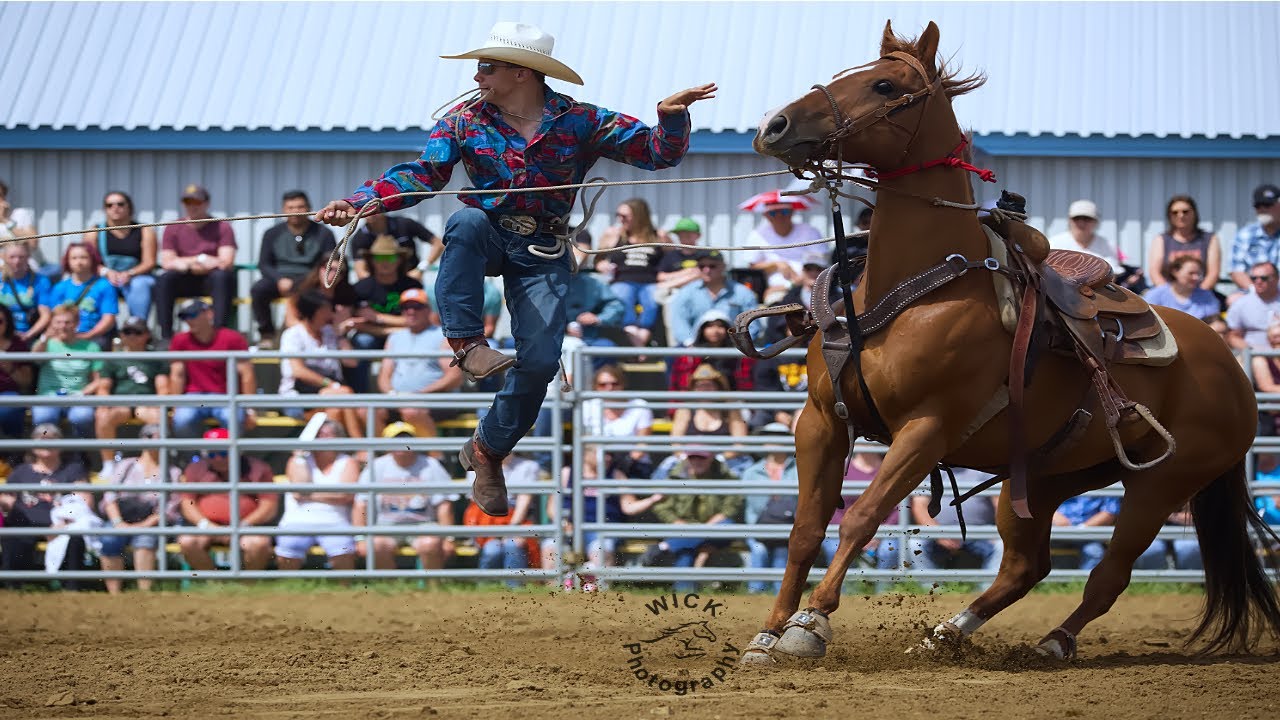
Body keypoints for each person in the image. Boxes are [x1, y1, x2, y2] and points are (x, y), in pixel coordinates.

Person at [315, 21, 715, 517]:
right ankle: (467, 345)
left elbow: (658, 153)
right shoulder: (463, 121)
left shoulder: (580, 120)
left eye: (487, 66)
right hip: (488, 232)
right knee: (464, 221)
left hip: (543, 248)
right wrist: (359, 203)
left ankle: (487, 451)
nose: (478, 75)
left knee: (542, 363)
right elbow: (421, 175)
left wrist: (671, 117)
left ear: (522, 72)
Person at [354, 422, 458, 571]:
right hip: (386, 525)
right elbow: (360, 505)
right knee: (376, 545)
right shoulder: (376, 466)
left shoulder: (431, 465)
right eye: (396, 440)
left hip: (424, 524)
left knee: (430, 543)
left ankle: (433, 587)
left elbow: (444, 505)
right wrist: (360, 539)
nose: (401, 444)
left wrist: (448, 538)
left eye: (406, 439)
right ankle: (390, 588)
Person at [640, 447, 743, 592]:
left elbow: (731, 507)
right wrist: (677, 522)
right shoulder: (674, 477)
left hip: (715, 527)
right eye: (692, 457)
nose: (696, 461)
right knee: (685, 552)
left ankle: (665, 547)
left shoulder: (725, 476)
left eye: (701, 457)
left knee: (728, 526)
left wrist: (704, 528)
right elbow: (662, 507)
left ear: (711, 458)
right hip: (685, 529)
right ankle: (685, 598)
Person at [0, 424, 91, 587]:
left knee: (75, 539)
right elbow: (8, 502)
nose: (46, 443)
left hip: (62, 527)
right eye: (41, 439)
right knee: (13, 537)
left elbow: (85, 500)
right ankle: (13, 591)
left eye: (52, 439)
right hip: (25, 526)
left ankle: (72, 592)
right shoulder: (21, 472)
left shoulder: (73, 470)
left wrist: (64, 523)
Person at [176, 427, 278, 572]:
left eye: (224, 453)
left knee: (259, 543)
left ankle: (248, 586)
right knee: (187, 541)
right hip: (207, 527)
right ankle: (216, 582)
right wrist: (207, 526)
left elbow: (269, 506)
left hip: (246, 527)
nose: (218, 458)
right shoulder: (195, 468)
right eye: (212, 453)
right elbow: (187, 503)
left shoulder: (257, 468)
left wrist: (243, 525)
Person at [96, 423, 178, 594]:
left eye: (160, 436)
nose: (155, 440)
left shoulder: (173, 472)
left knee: (146, 539)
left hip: (151, 521)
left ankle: (143, 594)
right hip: (120, 518)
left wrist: (145, 524)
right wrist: (118, 522)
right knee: (108, 539)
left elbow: (170, 507)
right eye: (150, 436)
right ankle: (114, 595)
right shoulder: (126, 465)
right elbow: (109, 498)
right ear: (142, 440)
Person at [250, 191, 337, 347]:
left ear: (309, 208)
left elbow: (330, 262)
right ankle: (267, 334)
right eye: (290, 207)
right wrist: (279, 279)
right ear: (283, 210)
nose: (295, 211)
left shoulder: (324, 234)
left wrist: (312, 279)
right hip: (280, 279)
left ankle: (317, 334)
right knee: (258, 289)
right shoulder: (272, 234)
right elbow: (264, 264)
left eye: (300, 206)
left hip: (311, 280)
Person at [376, 288, 463, 439]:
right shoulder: (395, 338)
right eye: (406, 307)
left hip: (435, 400)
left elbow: (454, 377)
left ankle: (435, 457)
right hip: (400, 399)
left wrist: (420, 394)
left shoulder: (442, 337)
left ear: (428, 310)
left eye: (417, 307)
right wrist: (392, 395)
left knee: (412, 410)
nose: (411, 311)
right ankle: (379, 457)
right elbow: (384, 375)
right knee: (369, 410)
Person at [154, 184, 238, 338]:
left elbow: (226, 262)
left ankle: (220, 333)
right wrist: (201, 259)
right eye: (188, 202)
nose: (192, 206)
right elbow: (168, 261)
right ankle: (166, 336)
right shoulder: (173, 227)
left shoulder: (222, 227)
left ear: (206, 203)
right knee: (164, 279)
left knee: (222, 277)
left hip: (210, 281)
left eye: (197, 202)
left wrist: (184, 262)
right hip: (184, 278)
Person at [275, 419, 359, 572]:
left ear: (339, 439)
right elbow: (300, 489)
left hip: (335, 522)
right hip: (297, 522)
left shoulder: (348, 462)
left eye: (328, 434)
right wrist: (300, 456)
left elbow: (345, 495)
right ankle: (288, 590)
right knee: (288, 548)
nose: (322, 438)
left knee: (343, 551)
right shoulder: (297, 460)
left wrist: (309, 495)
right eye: (318, 434)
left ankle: (345, 591)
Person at [168, 299, 257, 437]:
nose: (188, 320)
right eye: (184, 317)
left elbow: (247, 374)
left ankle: (228, 458)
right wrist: (175, 406)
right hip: (193, 397)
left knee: (233, 419)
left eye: (192, 315)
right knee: (181, 420)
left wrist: (249, 408)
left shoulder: (232, 338)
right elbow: (177, 375)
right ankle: (194, 459)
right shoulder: (180, 340)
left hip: (226, 397)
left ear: (209, 314)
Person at [278, 291, 361, 438]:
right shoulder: (293, 335)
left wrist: (340, 334)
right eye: (327, 310)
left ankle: (338, 457)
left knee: (343, 410)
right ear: (313, 312)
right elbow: (298, 371)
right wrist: (331, 385)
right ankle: (360, 447)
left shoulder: (330, 332)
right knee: (344, 396)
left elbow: (351, 362)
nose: (331, 313)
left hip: (333, 395)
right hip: (298, 395)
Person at [345, 233, 422, 392]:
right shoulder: (360, 288)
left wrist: (377, 317)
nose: (385, 263)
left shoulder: (412, 285)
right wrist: (390, 327)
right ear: (371, 261)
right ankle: (359, 399)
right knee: (362, 342)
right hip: (372, 335)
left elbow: (418, 321)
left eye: (390, 258)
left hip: (407, 335)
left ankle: (411, 397)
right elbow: (356, 323)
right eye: (379, 258)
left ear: (399, 260)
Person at [94, 317, 169, 474]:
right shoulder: (113, 358)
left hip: (146, 402)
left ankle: (154, 463)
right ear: (121, 335)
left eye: (137, 332)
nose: (132, 336)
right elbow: (103, 388)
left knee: (158, 418)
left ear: (147, 334)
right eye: (127, 332)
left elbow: (163, 388)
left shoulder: (156, 358)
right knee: (102, 416)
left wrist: (159, 403)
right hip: (121, 403)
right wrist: (104, 403)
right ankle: (108, 464)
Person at [906, 468, 1002, 574]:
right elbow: (920, 507)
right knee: (914, 544)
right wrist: (938, 534)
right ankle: (929, 586)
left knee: (1001, 545)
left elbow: (1000, 505)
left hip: (978, 531)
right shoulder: (930, 470)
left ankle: (989, 587)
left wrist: (997, 531)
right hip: (938, 530)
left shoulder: (985, 470)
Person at [81, 191, 158, 323]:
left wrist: (130, 273)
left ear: (129, 207)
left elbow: (149, 262)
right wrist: (107, 272)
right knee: (102, 286)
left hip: (136, 277)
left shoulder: (145, 231)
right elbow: (89, 262)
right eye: (109, 205)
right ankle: (103, 329)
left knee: (139, 285)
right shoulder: (94, 232)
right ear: (105, 209)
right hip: (106, 277)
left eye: (120, 204)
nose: (115, 208)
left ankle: (137, 327)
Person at [464, 453, 540, 586]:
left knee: (513, 545)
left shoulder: (528, 466)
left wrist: (510, 530)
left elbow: (524, 502)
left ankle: (515, 589)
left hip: (517, 521)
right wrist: (496, 532)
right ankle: (485, 589)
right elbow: (479, 505)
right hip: (486, 521)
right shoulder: (476, 467)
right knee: (492, 549)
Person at [599, 198, 666, 347]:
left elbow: (670, 259)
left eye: (625, 216)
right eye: (618, 215)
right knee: (621, 296)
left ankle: (637, 343)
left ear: (639, 216)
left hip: (650, 281)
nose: (620, 219)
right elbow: (598, 259)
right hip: (622, 279)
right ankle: (638, 343)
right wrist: (602, 265)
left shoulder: (658, 236)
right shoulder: (614, 234)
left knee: (652, 301)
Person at [32, 304, 106, 438]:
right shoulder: (45, 344)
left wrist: (82, 393)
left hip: (78, 397)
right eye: (58, 322)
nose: (63, 326)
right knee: (43, 416)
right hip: (48, 396)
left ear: (77, 323)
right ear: (51, 324)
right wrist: (45, 338)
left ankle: (80, 454)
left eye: (67, 322)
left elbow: (99, 379)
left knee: (82, 417)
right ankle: (49, 456)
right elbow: (35, 358)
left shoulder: (91, 347)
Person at [742, 422, 797, 594]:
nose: (771, 440)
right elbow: (751, 506)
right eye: (767, 435)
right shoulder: (751, 472)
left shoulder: (799, 469)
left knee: (782, 554)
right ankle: (754, 596)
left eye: (777, 437)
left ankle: (779, 597)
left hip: (788, 527)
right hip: (757, 527)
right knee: (759, 550)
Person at [668, 251, 761, 347]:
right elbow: (679, 323)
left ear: (724, 266)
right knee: (672, 358)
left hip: (735, 348)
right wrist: (690, 344)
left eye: (712, 266)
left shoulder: (743, 293)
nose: (706, 270)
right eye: (701, 266)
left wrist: (738, 345)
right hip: (693, 348)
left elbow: (752, 325)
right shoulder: (685, 292)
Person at [670, 363, 748, 472]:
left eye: (709, 385)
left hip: (726, 461)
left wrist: (718, 460)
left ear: (718, 388)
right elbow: (675, 443)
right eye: (700, 386)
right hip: (690, 460)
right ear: (694, 389)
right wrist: (686, 459)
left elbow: (740, 443)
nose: (704, 389)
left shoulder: (731, 410)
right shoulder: (684, 410)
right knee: (665, 472)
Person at [744, 199, 826, 300]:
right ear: (765, 215)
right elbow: (752, 267)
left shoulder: (810, 231)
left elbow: (820, 262)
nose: (779, 216)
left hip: (811, 288)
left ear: (792, 212)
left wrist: (793, 284)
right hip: (776, 292)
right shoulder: (757, 234)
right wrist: (776, 264)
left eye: (784, 211)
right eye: (773, 212)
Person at [581, 365, 654, 478]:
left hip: (632, 464)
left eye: (615, 384)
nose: (609, 388)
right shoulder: (587, 407)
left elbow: (642, 444)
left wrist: (621, 466)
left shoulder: (639, 406)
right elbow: (584, 443)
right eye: (603, 385)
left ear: (623, 384)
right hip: (595, 464)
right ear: (596, 387)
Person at [47, 242, 118, 350]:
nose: (79, 262)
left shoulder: (104, 286)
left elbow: (108, 319)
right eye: (74, 258)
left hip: (95, 338)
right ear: (68, 261)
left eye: (83, 257)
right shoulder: (60, 288)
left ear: (92, 260)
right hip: (64, 337)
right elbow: (53, 317)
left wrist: (88, 336)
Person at [1145, 194, 1221, 291]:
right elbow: (1155, 272)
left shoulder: (1209, 239)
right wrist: (1170, 296)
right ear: (1169, 216)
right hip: (1168, 295)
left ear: (1194, 213)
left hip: (1201, 295)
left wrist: (1198, 295)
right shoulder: (1161, 239)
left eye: (1185, 212)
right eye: (1175, 212)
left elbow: (1213, 274)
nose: (1180, 215)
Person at [668, 309, 754, 392]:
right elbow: (679, 386)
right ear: (701, 330)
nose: (715, 331)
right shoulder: (689, 356)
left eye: (720, 326)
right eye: (710, 326)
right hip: (695, 402)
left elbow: (745, 385)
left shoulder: (739, 356)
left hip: (731, 402)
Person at [350, 211, 438, 281]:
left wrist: (421, 269)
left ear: (384, 207)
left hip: (410, 281)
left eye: (374, 208)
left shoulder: (405, 224)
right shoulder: (359, 238)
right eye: (365, 208)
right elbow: (361, 273)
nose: (370, 212)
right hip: (379, 287)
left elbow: (438, 244)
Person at [1229, 183, 1280, 292]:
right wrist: (1256, 292)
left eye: (1267, 205)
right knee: (1233, 300)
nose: (1262, 209)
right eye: (1258, 206)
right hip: (1252, 294)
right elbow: (1237, 271)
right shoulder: (1244, 235)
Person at [564, 266, 626, 356]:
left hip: (590, 338)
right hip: (555, 341)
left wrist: (598, 318)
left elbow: (616, 306)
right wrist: (564, 327)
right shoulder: (542, 284)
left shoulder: (592, 282)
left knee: (607, 348)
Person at [1051, 494, 1121, 570]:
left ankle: (1085, 581)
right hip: (1055, 529)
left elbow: (1110, 511)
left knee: (1094, 552)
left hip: (1089, 533)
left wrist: (1082, 528)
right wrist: (1052, 514)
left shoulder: (1107, 483)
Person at [0, 242, 52, 343]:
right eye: (12, 257)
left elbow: (45, 315)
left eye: (21, 257)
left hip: (28, 336)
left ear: (28, 257)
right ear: (4, 258)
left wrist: (28, 335)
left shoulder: (41, 281)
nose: (17, 261)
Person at [1142, 256, 1221, 318]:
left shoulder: (1206, 296)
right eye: (1191, 273)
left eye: (1198, 274)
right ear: (1175, 272)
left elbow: (1214, 322)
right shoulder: (1156, 294)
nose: (1196, 278)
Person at [1225, 261, 1280, 350]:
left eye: (1264, 278)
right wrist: (1253, 352)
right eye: (1254, 278)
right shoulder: (1240, 304)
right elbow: (1232, 336)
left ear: (1277, 278)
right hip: (1252, 357)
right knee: (1259, 362)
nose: (1258, 281)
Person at [1132, 504, 1202, 571]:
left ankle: (1188, 581)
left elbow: (1194, 517)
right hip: (1154, 531)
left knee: (1187, 548)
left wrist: (1169, 515)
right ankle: (1155, 580)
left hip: (1185, 531)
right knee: (1153, 549)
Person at [0, 303, 34, 439]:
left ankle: (13, 452)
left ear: (7, 323)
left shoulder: (18, 344)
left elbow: (26, 382)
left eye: (0, 321)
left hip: (8, 394)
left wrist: (9, 366)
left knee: (10, 406)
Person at [655, 217, 704, 292]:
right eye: (681, 234)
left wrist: (669, 283)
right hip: (675, 292)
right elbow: (660, 276)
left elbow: (704, 274)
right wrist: (688, 272)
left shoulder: (706, 254)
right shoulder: (671, 256)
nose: (684, 237)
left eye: (688, 234)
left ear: (698, 236)